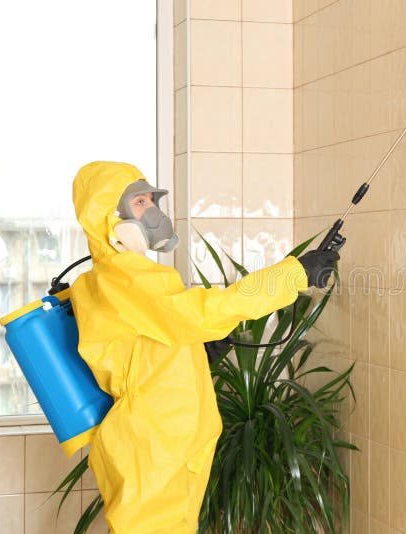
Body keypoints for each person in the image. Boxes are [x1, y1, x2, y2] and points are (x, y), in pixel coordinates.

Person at [69, 161, 338, 533]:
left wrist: (199, 353)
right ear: (107, 216)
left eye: (151, 200)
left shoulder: (122, 278)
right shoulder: (122, 279)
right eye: (140, 203)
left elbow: (152, 344)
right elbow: (199, 314)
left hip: (169, 441)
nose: (154, 213)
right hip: (154, 445)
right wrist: (293, 274)